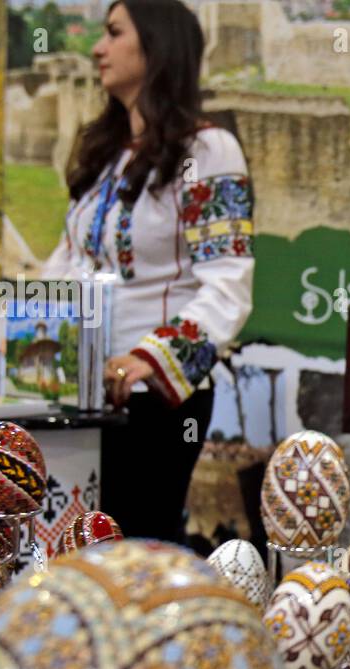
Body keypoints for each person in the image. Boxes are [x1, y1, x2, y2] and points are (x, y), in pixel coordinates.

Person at [42, 0, 254, 543]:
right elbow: (70, 259)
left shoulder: (209, 150)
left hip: (157, 402)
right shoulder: (106, 156)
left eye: (113, 33)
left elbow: (228, 284)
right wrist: (30, 329)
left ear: (155, 47)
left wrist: (146, 360)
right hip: (83, 395)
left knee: (132, 550)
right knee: (73, 552)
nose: (97, 48)